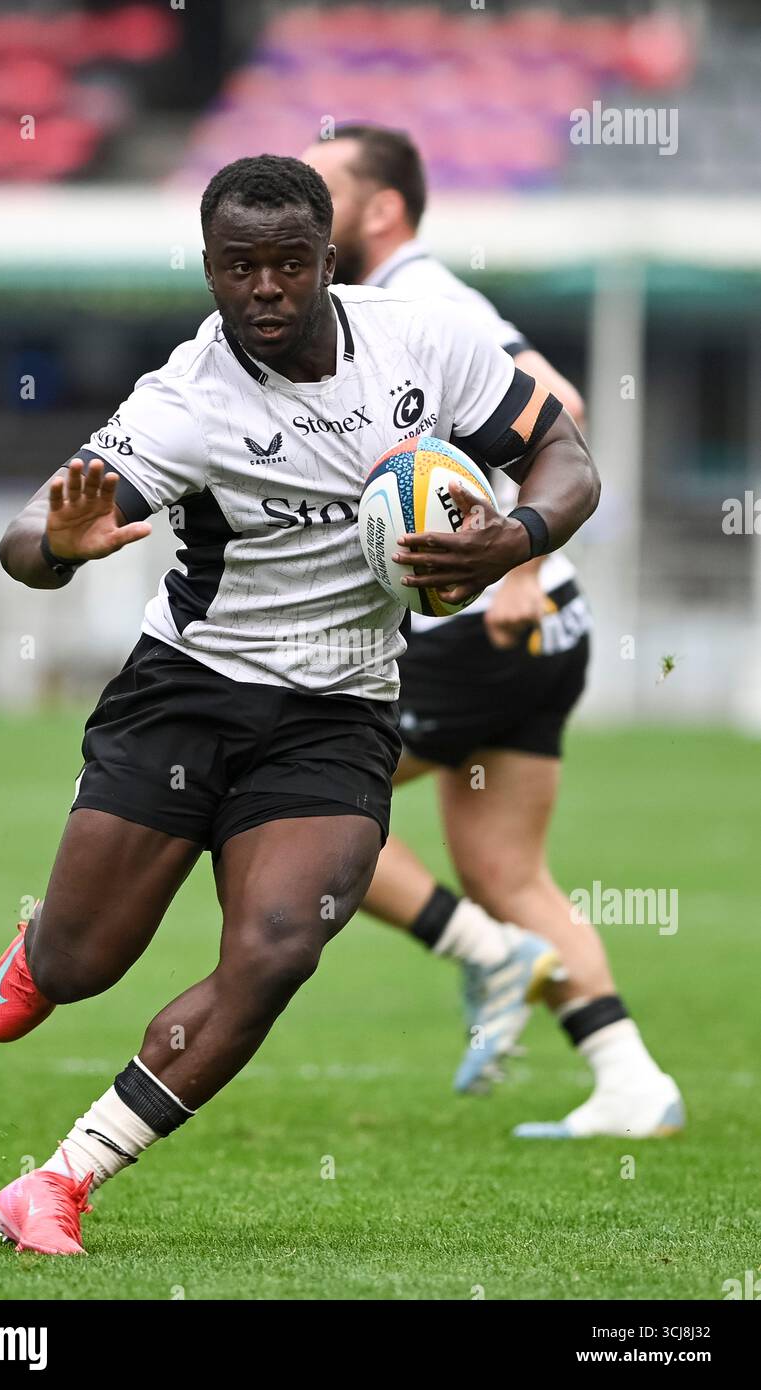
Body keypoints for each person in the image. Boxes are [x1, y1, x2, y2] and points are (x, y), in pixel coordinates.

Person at [0, 154, 599, 1255]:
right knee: (83, 966)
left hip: (339, 708)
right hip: (187, 695)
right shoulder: (186, 402)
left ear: (327, 259)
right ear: (211, 269)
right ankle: (43, 949)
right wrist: (54, 550)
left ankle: (62, 1179)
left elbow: (563, 451)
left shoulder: (422, 339)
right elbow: (32, 531)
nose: (263, 288)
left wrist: (519, 533)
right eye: (237, 267)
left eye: (287, 263)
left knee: (275, 947)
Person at [303, 125, 684, 1138]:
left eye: (320, 186)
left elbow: (556, 402)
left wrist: (515, 557)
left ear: (380, 208)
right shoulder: (379, 303)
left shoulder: (416, 299)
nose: (299, 201)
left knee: (305, 809)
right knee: (509, 869)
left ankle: (482, 949)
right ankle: (629, 1080)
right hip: (543, 628)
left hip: (487, 625)